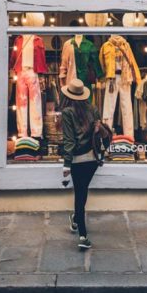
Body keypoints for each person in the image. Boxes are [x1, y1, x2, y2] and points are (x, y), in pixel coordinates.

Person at [60, 78, 99, 250]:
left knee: (80, 194)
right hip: (93, 160)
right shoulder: (93, 109)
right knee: (82, 192)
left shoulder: (68, 112)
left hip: (77, 160)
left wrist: (67, 163)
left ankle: (82, 235)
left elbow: (69, 140)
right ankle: (76, 219)